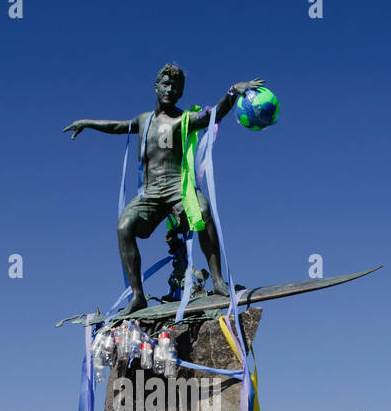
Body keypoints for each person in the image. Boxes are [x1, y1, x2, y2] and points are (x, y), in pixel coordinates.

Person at [64, 64, 263, 313]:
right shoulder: (143, 120)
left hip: (176, 188)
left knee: (202, 211)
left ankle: (218, 281)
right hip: (149, 192)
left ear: (181, 93)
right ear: (156, 87)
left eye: (176, 87)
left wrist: (232, 92)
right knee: (124, 227)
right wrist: (87, 122)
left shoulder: (183, 119)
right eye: (166, 84)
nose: (170, 89)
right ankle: (137, 296)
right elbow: (116, 126)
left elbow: (214, 115)